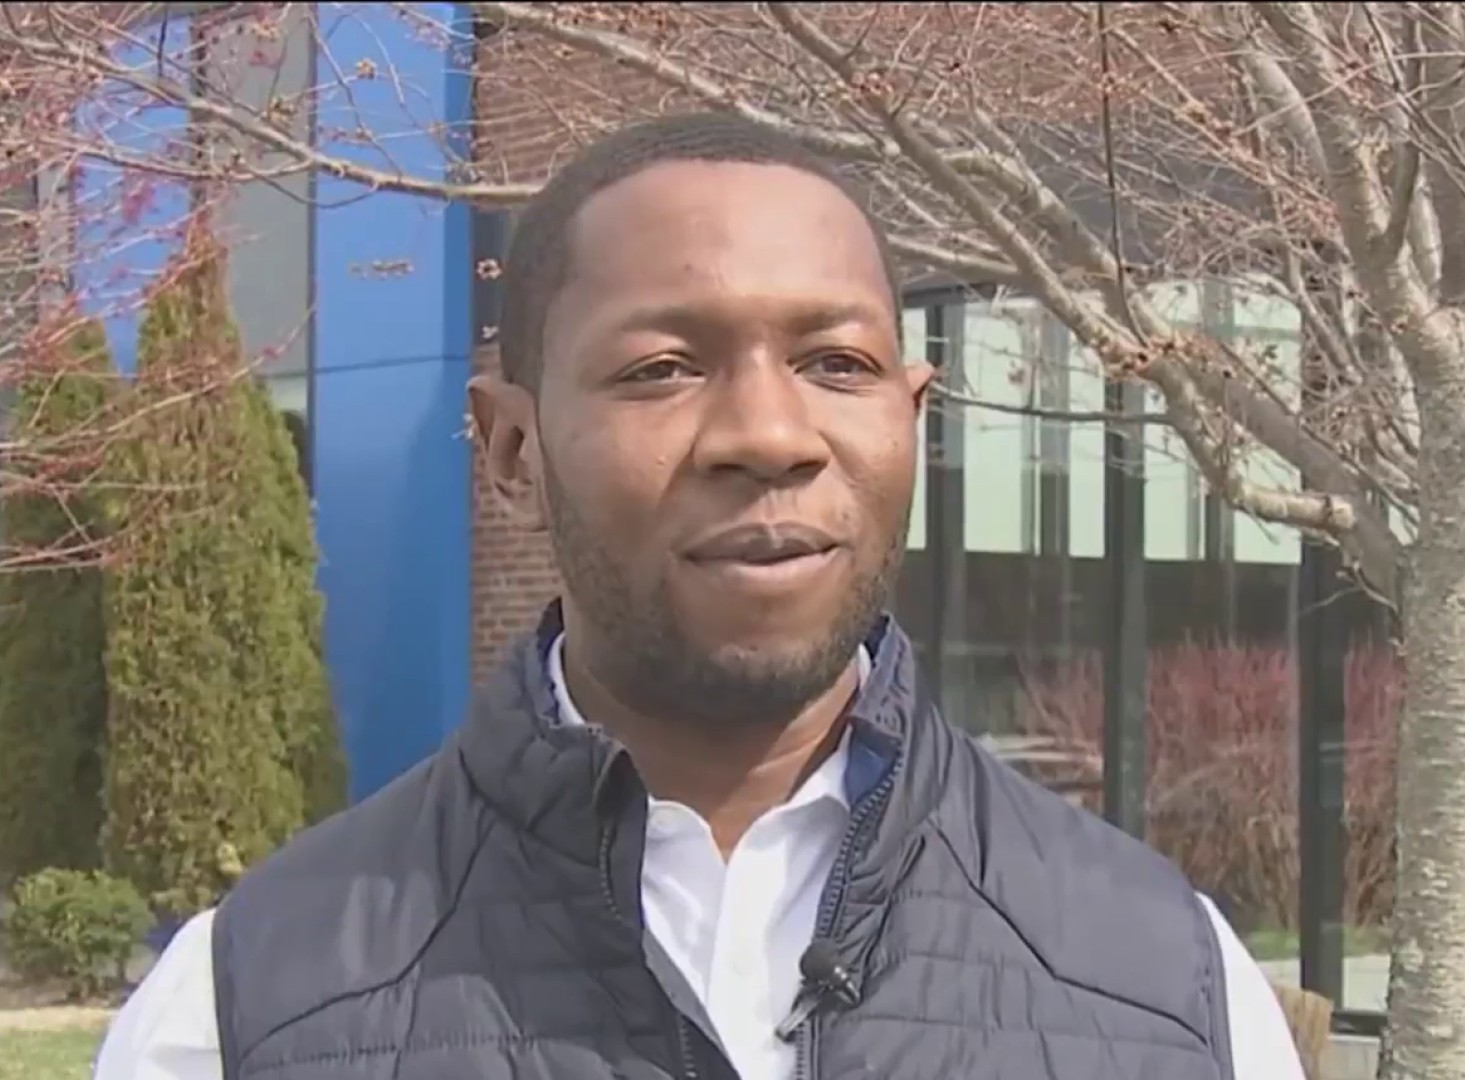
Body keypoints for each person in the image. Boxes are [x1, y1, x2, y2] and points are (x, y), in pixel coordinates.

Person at [94, 111, 1305, 1080]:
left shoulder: (1168, 983)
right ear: (513, 450)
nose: (770, 435)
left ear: (912, 423)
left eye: (837, 365)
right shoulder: (251, 1006)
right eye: (662, 369)